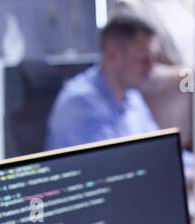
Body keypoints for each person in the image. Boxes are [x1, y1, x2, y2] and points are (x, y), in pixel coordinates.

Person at [44, 15, 161, 151]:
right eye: (143, 59)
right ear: (112, 55)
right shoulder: (80, 104)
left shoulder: (132, 96)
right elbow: (113, 166)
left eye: (154, 58)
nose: (152, 68)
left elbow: (158, 149)